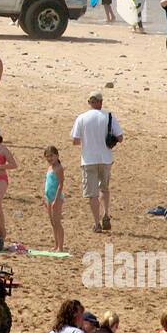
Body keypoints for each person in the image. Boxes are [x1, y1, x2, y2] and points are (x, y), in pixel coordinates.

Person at [71, 91, 122, 233]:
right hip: (105, 158)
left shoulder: (82, 118)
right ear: (101, 102)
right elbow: (120, 137)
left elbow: (75, 140)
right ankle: (106, 213)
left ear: (89, 103)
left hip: (88, 159)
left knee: (92, 193)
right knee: (104, 188)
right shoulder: (109, 117)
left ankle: (97, 223)